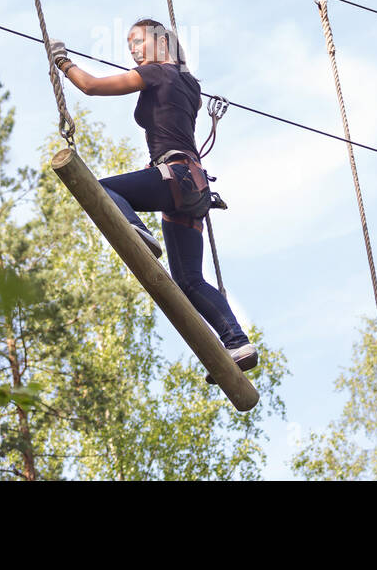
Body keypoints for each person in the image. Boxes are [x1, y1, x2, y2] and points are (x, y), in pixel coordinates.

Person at [47, 19, 256, 375]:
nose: (132, 50)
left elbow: (92, 87)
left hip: (175, 176)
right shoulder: (190, 83)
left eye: (138, 42)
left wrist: (62, 62)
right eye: (129, 45)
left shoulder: (159, 72)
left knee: (99, 189)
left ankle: (135, 228)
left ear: (162, 43)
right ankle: (237, 342)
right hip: (192, 189)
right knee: (190, 281)